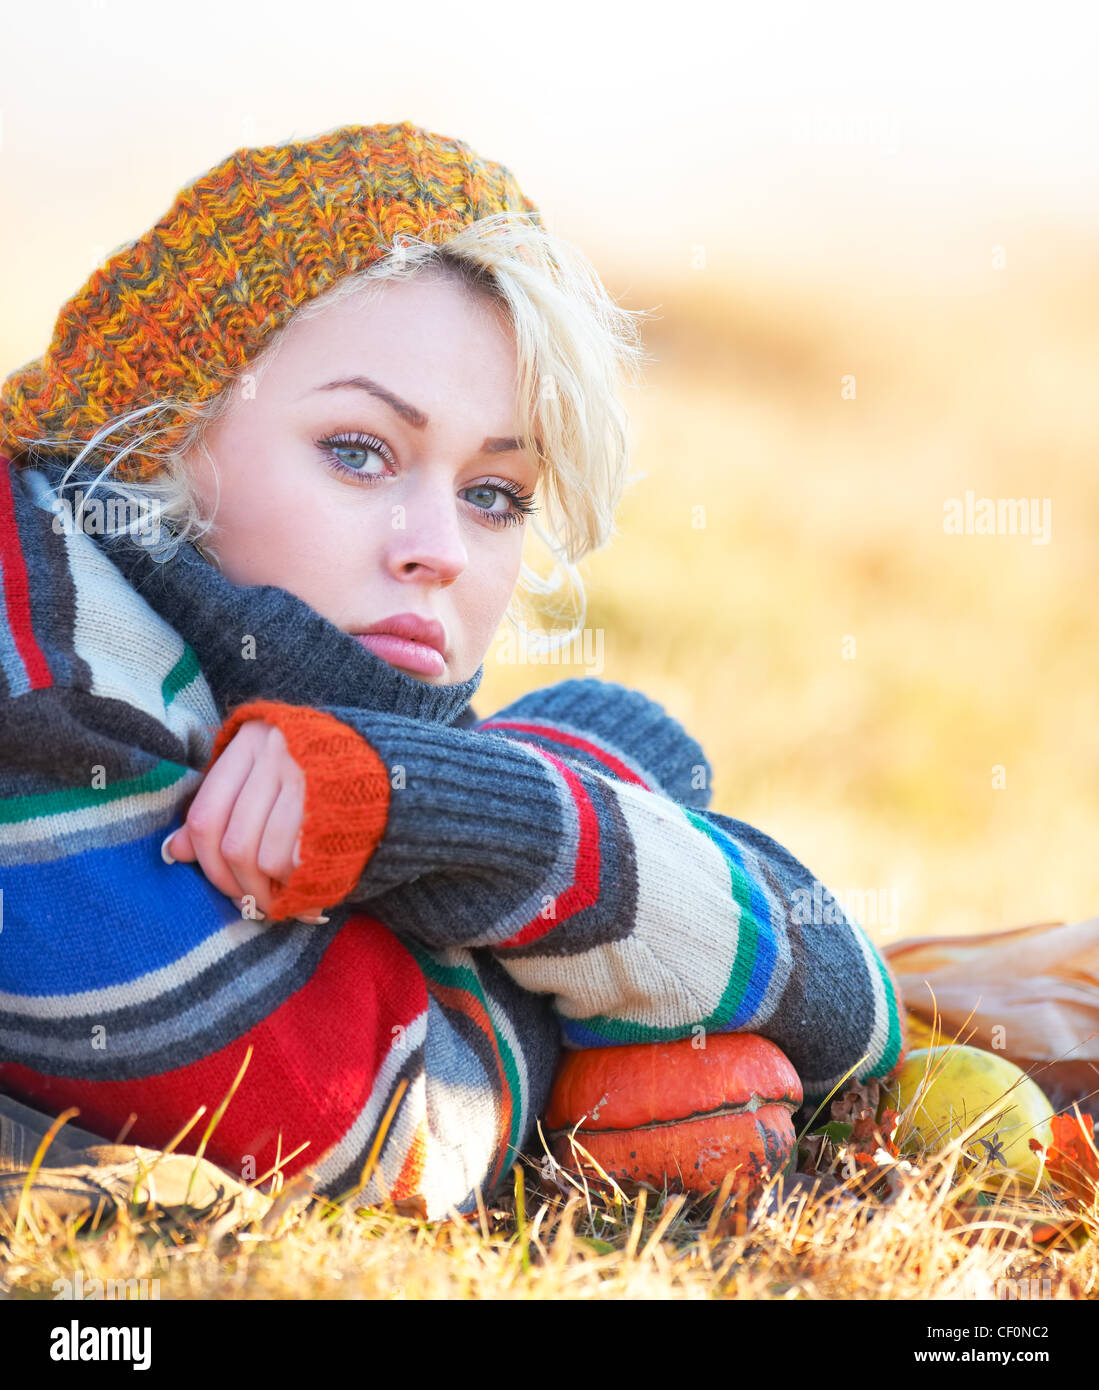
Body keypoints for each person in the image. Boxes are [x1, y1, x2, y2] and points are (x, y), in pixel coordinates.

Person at [0, 120, 906, 1220]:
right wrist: (544, 935)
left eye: (494, 492)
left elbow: (856, 1009)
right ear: (164, 435)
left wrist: (468, 805)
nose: (437, 547)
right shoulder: (43, 657)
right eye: (357, 449)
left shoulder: (267, 679)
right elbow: (375, 1120)